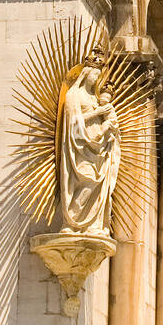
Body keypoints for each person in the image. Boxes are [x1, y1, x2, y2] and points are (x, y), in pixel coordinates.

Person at [58, 66, 121, 236]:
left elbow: (109, 119)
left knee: (98, 182)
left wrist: (110, 128)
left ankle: (93, 225)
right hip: (80, 144)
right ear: (85, 74)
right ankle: (72, 221)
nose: (95, 78)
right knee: (88, 179)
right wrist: (98, 113)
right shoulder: (74, 95)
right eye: (93, 74)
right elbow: (72, 121)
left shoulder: (96, 98)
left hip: (98, 146)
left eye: (98, 76)